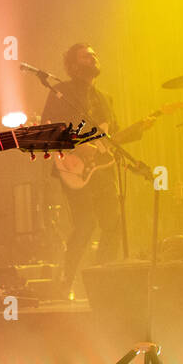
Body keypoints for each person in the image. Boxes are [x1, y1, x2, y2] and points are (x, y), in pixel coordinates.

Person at [41, 42, 145, 299]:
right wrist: (77, 148)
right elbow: (46, 129)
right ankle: (65, 284)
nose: (94, 58)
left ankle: (101, 280)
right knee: (85, 224)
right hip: (73, 168)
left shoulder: (104, 98)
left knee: (113, 224)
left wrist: (138, 130)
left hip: (102, 169)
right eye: (87, 56)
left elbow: (112, 138)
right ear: (73, 66)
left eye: (95, 55)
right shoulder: (60, 92)